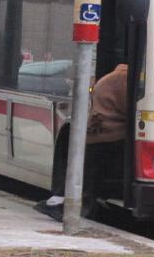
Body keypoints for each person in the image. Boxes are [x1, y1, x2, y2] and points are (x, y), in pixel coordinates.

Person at [35, 63, 129, 221]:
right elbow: (131, 106)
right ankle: (66, 207)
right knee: (88, 177)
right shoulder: (124, 79)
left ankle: (60, 202)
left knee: (85, 173)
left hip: (96, 134)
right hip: (110, 134)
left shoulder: (110, 78)